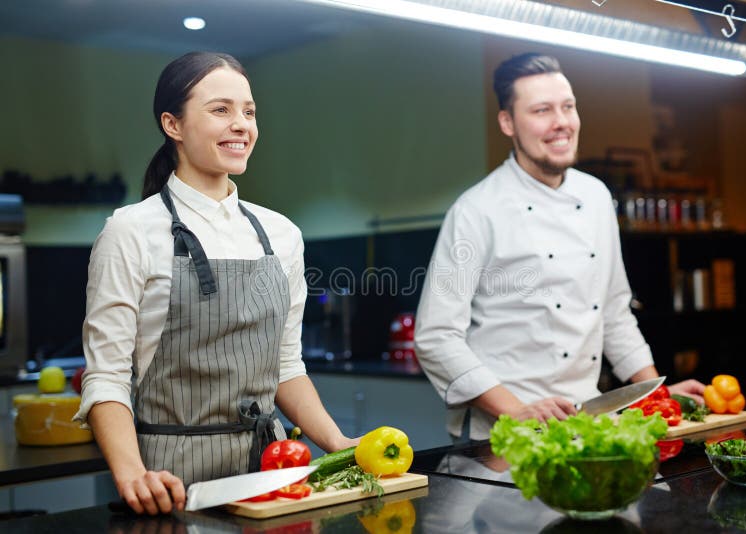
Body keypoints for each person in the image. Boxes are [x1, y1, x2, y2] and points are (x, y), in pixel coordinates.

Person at [75, 52, 358, 515]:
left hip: (273, 475)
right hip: (169, 482)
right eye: (220, 110)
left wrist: (340, 443)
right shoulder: (130, 231)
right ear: (173, 124)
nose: (242, 124)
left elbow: (285, 365)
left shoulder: (281, 235)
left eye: (249, 111)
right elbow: (106, 376)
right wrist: (132, 475)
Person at [414, 53, 705, 441]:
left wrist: (657, 395)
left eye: (568, 107)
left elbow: (614, 314)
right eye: (541, 110)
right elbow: (436, 336)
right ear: (507, 122)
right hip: (502, 432)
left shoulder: (596, 195)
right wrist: (516, 411)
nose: (561, 122)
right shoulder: (475, 210)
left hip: (588, 417)